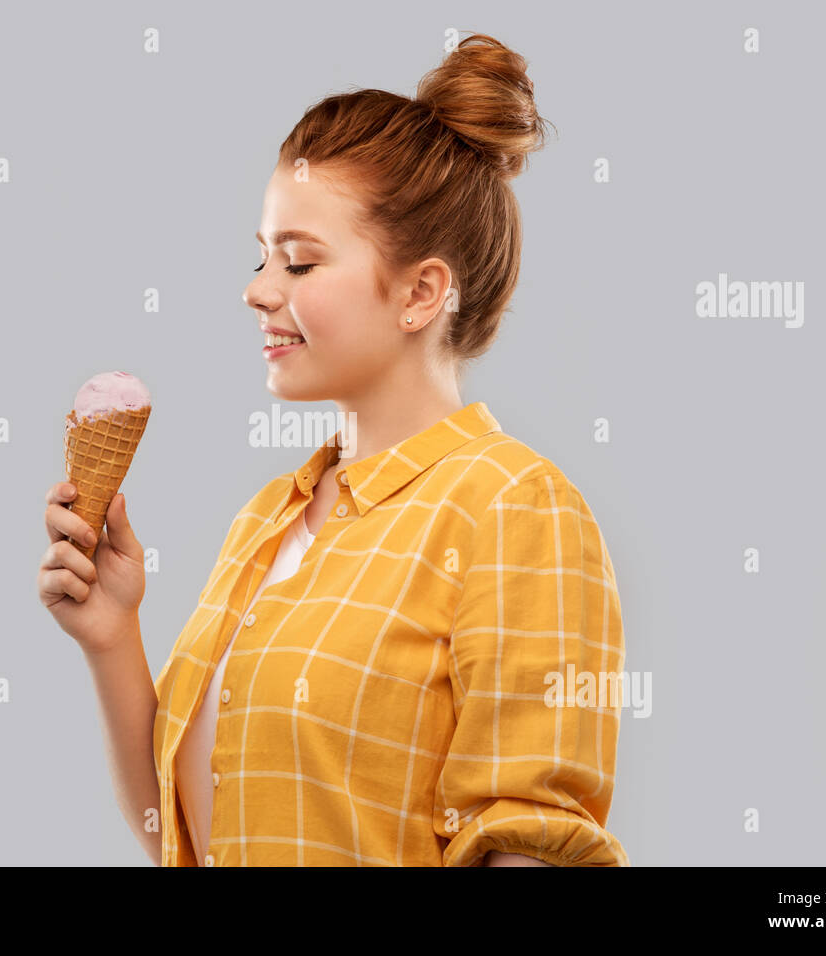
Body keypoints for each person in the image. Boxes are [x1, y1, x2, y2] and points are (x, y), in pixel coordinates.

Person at [37, 32, 629, 867]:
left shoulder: (513, 507)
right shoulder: (267, 520)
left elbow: (527, 841)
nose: (257, 289)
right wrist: (111, 633)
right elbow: (179, 836)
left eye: (301, 262)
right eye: (261, 257)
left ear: (421, 292)